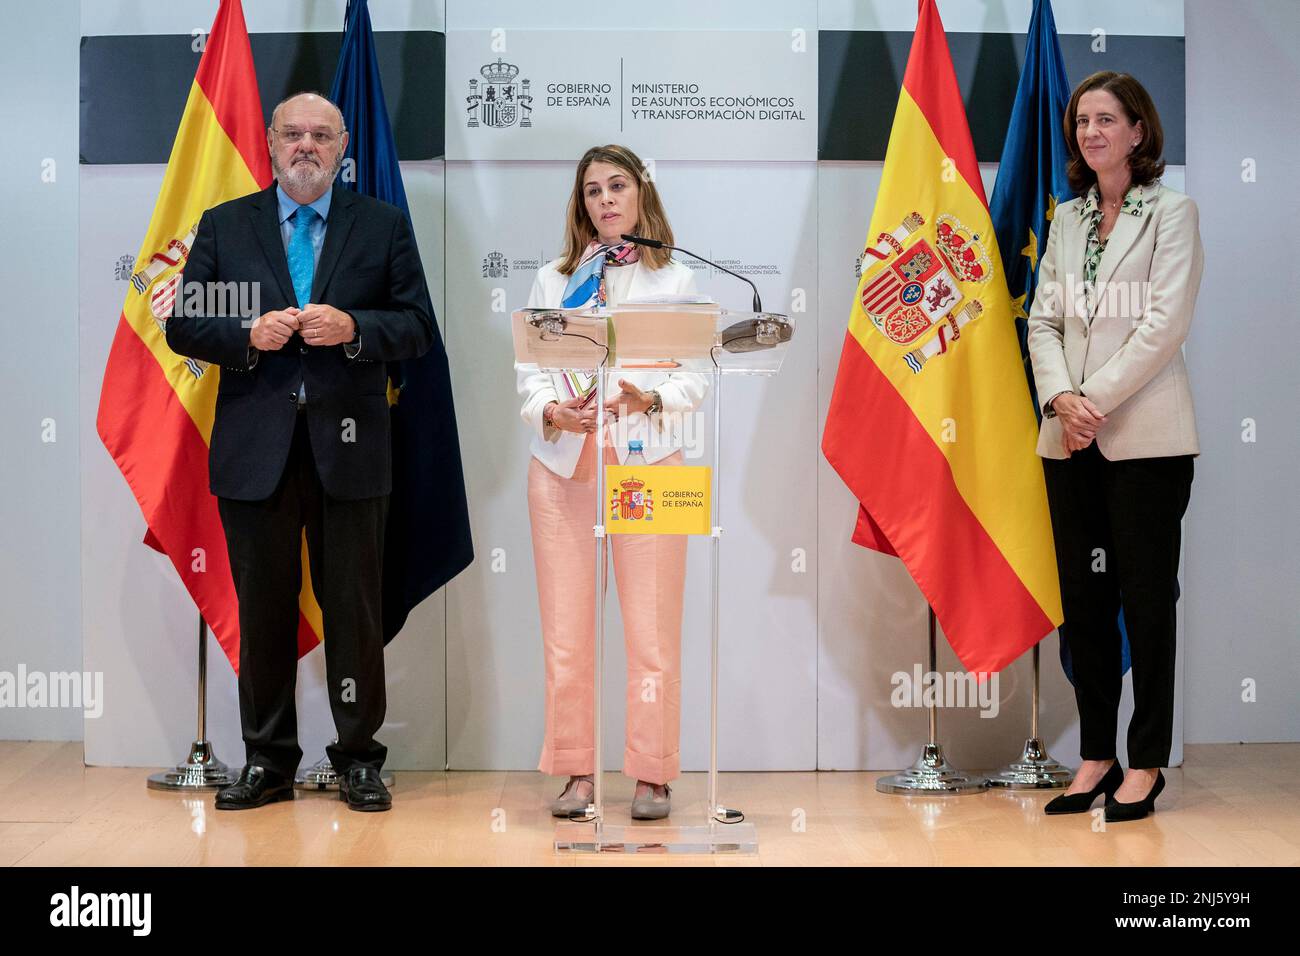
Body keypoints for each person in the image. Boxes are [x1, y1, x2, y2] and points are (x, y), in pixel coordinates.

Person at [166, 92, 435, 812]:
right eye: (293, 134)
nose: (306, 146)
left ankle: (357, 759)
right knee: (264, 613)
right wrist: (245, 337)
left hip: (351, 454)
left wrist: (354, 327)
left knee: (355, 613)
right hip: (257, 453)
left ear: (344, 147)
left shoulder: (380, 226)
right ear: (270, 143)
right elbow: (185, 325)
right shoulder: (227, 225)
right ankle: (268, 761)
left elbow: (416, 328)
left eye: (321, 135)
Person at [1028, 72, 1203, 822]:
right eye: (1081, 121)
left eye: (1106, 119)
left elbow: (1163, 325)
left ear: (1139, 130)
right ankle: (1096, 755)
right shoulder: (1065, 221)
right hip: (1068, 442)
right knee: (1085, 605)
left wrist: (1090, 402)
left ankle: (1148, 762)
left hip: (1147, 442)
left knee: (1146, 601)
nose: (1090, 131)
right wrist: (1061, 400)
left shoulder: (1172, 212)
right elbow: (1041, 321)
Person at [517, 144, 708, 820]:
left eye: (617, 187)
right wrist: (552, 411)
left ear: (641, 195)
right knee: (567, 630)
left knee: (652, 629)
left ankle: (652, 772)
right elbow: (530, 372)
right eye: (593, 190)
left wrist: (652, 400)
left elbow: (698, 375)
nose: (605, 200)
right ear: (582, 204)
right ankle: (577, 771)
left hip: (648, 463)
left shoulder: (677, 279)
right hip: (564, 466)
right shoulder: (553, 278)